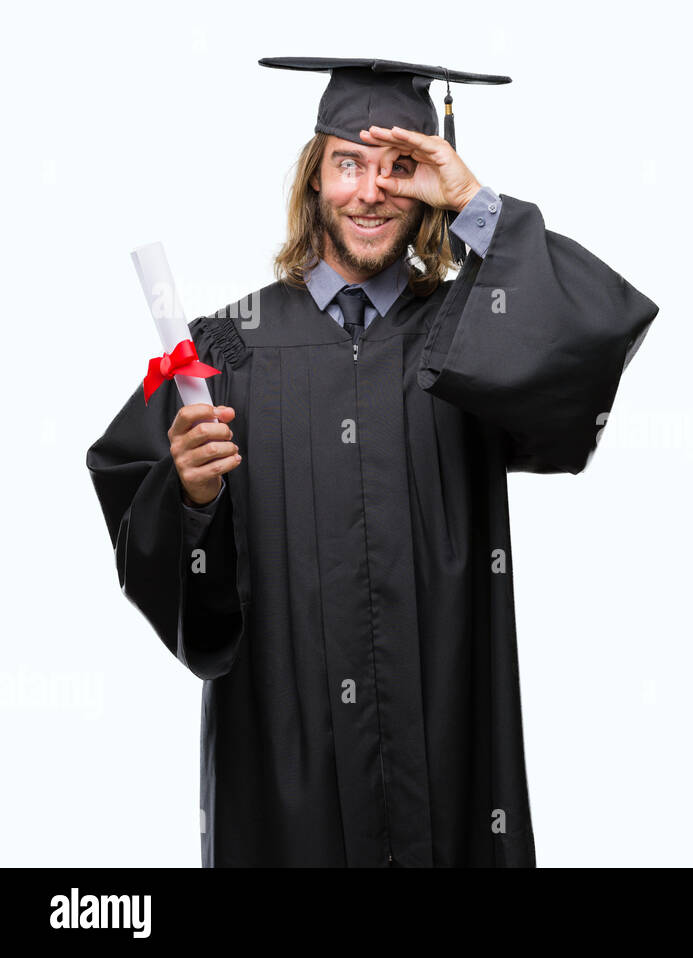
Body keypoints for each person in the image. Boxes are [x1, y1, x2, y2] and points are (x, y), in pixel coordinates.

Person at [86, 57, 658, 867]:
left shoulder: (472, 334)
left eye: (400, 167)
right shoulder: (225, 352)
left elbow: (589, 346)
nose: (369, 190)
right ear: (314, 180)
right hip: (288, 776)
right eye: (347, 163)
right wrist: (192, 498)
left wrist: (479, 207)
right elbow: (144, 530)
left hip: (448, 767)